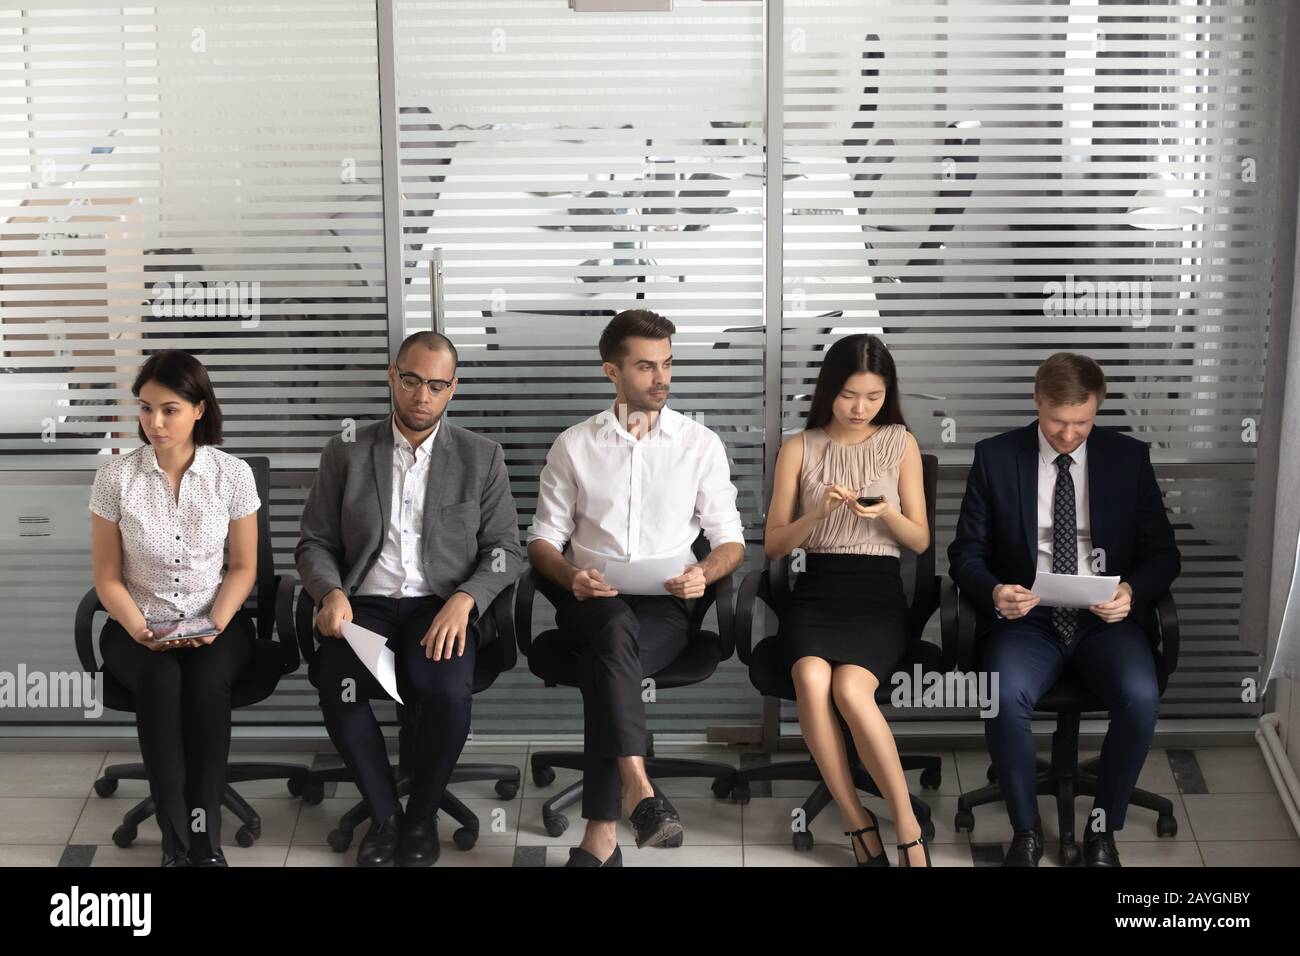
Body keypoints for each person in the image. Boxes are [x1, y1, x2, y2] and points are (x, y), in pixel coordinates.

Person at [527, 309, 746, 867]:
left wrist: (706, 573)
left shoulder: (700, 445)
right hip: (589, 601)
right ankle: (637, 790)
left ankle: (603, 833)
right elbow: (542, 544)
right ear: (612, 372)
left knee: (610, 655)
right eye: (646, 366)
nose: (662, 378)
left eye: (668, 364)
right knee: (612, 627)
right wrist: (572, 576)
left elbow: (731, 542)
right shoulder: (574, 447)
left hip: (666, 608)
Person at [295, 331, 522, 867]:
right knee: (342, 689)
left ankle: (420, 818)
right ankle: (384, 816)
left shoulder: (480, 456)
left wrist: (466, 599)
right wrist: (329, 592)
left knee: (446, 693)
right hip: (364, 606)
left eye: (437, 385)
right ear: (393, 377)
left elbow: (505, 549)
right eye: (413, 380)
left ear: (452, 390)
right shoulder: (348, 449)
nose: (423, 395)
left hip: (438, 606)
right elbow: (315, 542)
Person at [947, 352, 1180, 867]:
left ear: (1097, 410)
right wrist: (993, 592)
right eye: (1058, 421)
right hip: (1027, 620)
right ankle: (1026, 830)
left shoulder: (1127, 457)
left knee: (1140, 698)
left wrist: (1131, 594)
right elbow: (964, 554)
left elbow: (1164, 553)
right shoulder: (996, 457)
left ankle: (1102, 829)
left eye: (1082, 422)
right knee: (1003, 695)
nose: (1070, 434)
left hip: (1106, 621)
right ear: (1037, 401)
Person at [763, 334, 933, 867]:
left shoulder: (900, 443)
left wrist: (884, 512)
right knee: (812, 678)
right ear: (828, 391)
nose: (861, 409)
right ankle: (857, 819)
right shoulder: (800, 446)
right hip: (816, 589)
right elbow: (772, 544)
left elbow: (921, 541)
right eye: (849, 395)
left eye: (874, 396)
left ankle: (907, 829)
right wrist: (816, 515)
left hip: (877, 592)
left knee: (852, 690)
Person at [90, 350, 261, 867]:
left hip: (217, 617)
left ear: (199, 409)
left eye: (169, 409)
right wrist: (141, 628)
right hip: (136, 621)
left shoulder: (231, 474)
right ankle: (175, 843)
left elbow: (244, 569)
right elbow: (107, 577)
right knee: (162, 683)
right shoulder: (116, 478)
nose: (154, 422)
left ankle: (204, 844)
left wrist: (214, 622)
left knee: (207, 683)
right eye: (145, 408)